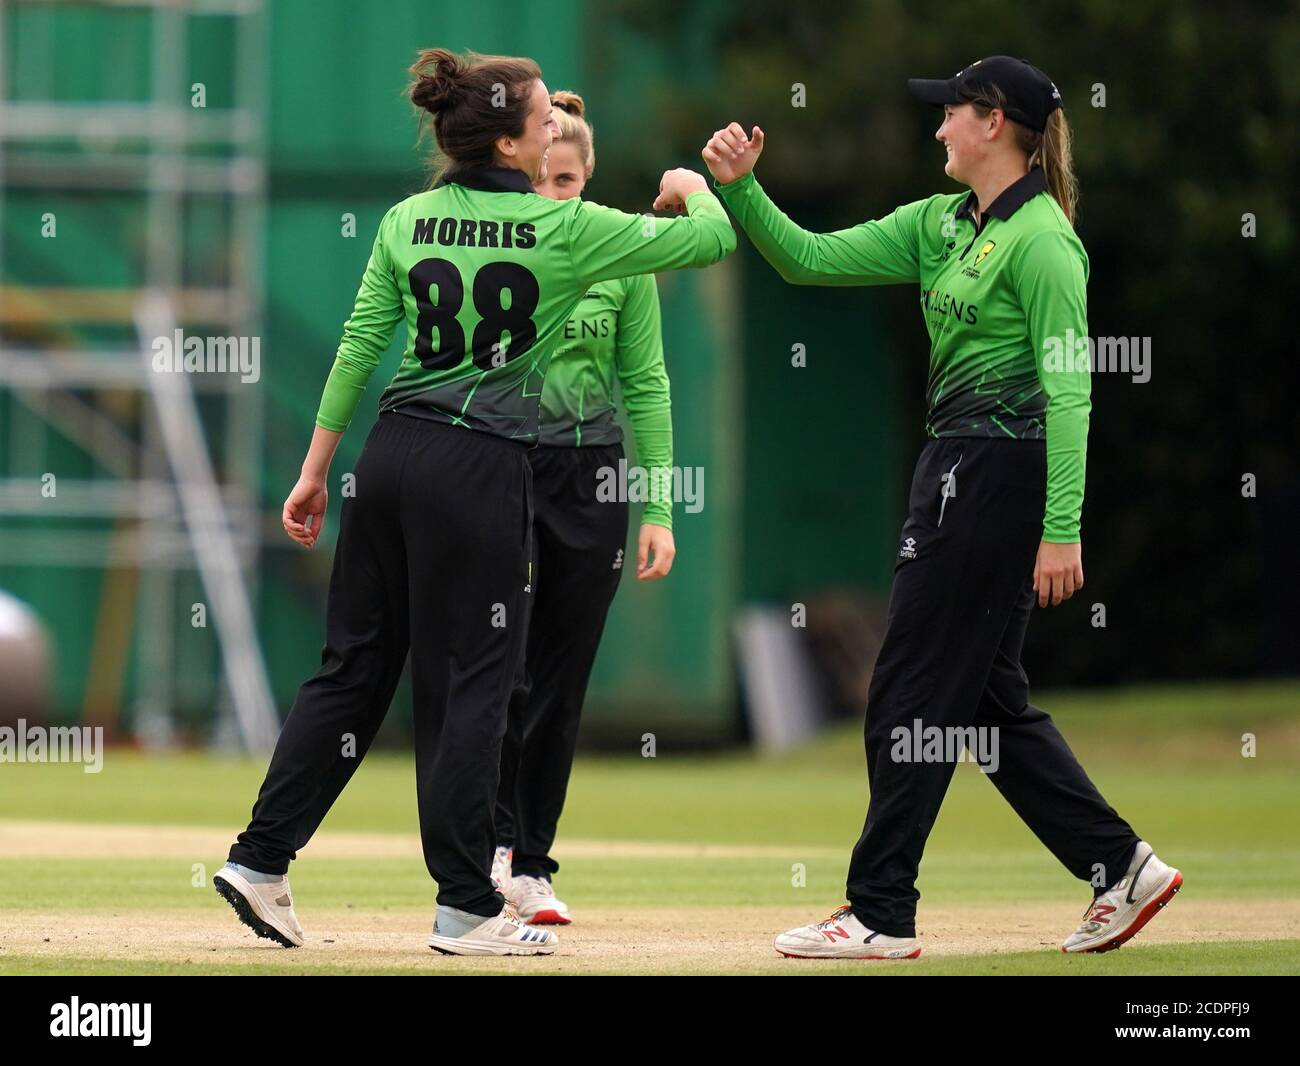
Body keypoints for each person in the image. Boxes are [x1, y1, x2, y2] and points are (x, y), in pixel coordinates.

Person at [213, 47, 734, 958]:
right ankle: (465, 905)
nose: (550, 130)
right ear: (506, 139)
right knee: (474, 689)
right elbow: (713, 241)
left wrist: (310, 469)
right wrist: (696, 185)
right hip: (479, 466)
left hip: (389, 456)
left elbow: (359, 345)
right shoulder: (563, 228)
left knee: (351, 669)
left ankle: (261, 858)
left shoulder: (407, 217)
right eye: (538, 121)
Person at [702, 56, 1181, 959]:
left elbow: (1071, 389)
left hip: (997, 478)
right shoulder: (938, 223)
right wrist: (744, 189)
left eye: (949, 114)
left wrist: (1063, 526)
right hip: (954, 469)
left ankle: (881, 909)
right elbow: (807, 260)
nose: (937, 129)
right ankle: (1117, 865)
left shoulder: (1043, 241)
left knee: (909, 694)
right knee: (984, 706)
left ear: (993, 123)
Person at [490, 91, 678, 926]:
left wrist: (660, 507)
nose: (552, 195)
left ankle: (532, 864)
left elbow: (647, 382)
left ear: (588, 177)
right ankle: (486, 847)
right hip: (501, 461)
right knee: (501, 664)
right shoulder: (499, 248)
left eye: (565, 180)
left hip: (590, 471)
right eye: (538, 179)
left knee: (562, 678)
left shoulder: (619, 254)